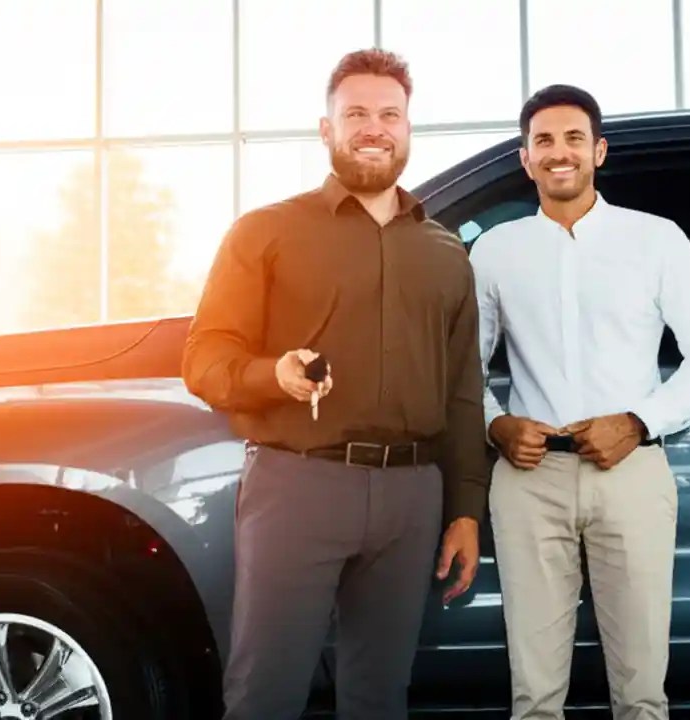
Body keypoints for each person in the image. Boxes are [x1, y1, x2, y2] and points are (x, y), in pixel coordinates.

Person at [181, 48, 490, 720]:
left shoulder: (445, 254)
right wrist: (274, 375)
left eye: (389, 114)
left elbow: (465, 392)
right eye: (355, 114)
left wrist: (466, 509)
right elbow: (204, 358)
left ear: (409, 130)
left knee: (380, 699)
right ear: (327, 130)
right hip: (298, 487)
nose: (373, 127)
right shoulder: (264, 232)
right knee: (265, 693)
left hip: (412, 499)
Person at [471, 84, 690, 719]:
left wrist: (640, 421)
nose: (559, 152)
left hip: (632, 471)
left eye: (573, 138)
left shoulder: (656, 239)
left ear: (599, 151)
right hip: (530, 478)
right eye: (543, 141)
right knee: (533, 696)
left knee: (642, 690)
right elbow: (461, 370)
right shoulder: (494, 251)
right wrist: (495, 424)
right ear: (525, 159)